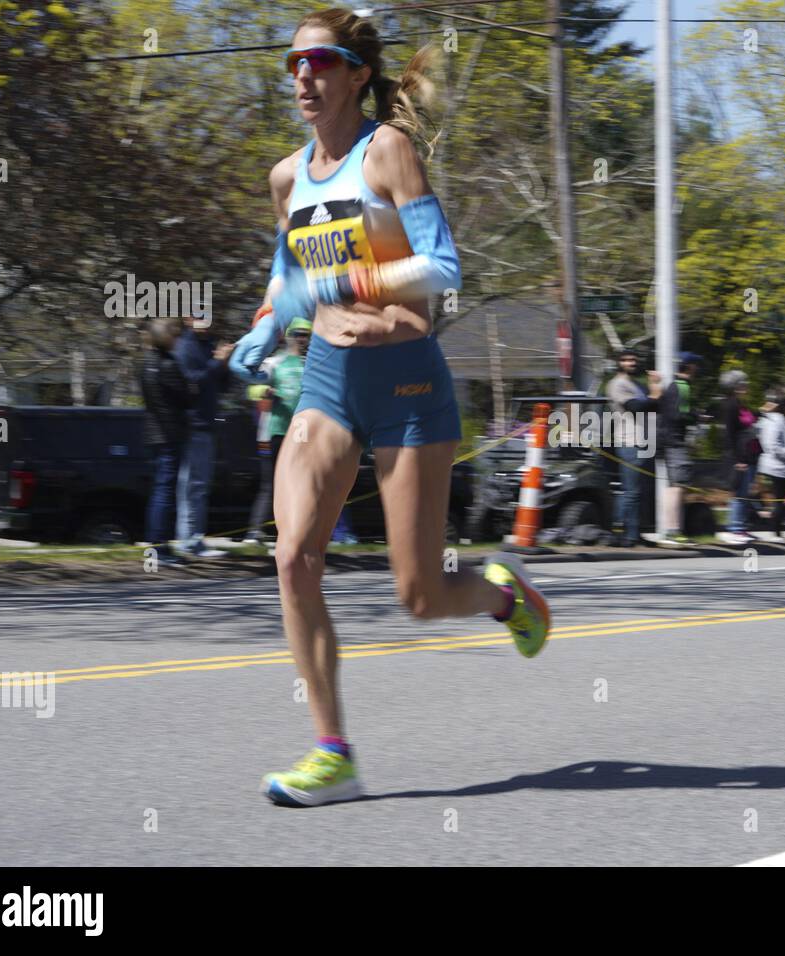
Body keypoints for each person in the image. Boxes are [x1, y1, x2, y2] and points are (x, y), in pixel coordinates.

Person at [228, 8, 550, 807]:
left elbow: (442, 268)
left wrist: (342, 284)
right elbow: (286, 270)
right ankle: (333, 752)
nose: (305, 76)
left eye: (322, 62)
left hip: (407, 382)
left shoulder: (388, 153)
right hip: (329, 379)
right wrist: (266, 324)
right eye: (294, 64)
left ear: (357, 73)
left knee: (419, 595)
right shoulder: (285, 177)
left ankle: (506, 597)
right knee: (292, 558)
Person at [245, 317, 313, 545]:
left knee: (297, 483)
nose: (303, 339)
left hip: (300, 433)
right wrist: (265, 390)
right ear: (288, 336)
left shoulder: (310, 365)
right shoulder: (274, 362)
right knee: (271, 483)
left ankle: (293, 530)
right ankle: (255, 532)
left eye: (306, 335)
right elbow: (251, 390)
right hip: (273, 431)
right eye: (299, 334)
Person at [173, 312, 233, 558]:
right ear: (187, 319)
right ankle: (189, 541)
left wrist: (226, 364)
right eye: (198, 316)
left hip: (208, 424)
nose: (204, 320)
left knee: (201, 485)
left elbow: (223, 386)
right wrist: (217, 362)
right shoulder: (184, 347)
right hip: (192, 425)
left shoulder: (208, 346)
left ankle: (194, 539)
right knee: (192, 485)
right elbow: (193, 382)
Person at [140, 317, 194, 558]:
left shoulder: (145, 364)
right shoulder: (168, 365)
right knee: (166, 491)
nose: (178, 339)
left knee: (160, 489)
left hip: (154, 433)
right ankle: (159, 546)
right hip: (170, 434)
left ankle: (157, 543)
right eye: (175, 335)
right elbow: (186, 397)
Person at [605, 348, 662, 547]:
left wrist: (652, 391)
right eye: (627, 360)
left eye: (634, 359)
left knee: (639, 491)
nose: (632, 363)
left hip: (644, 441)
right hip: (629, 441)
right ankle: (622, 535)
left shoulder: (636, 385)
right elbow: (636, 407)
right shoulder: (617, 384)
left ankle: (634, 533)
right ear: (619, 363)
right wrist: (654, 392)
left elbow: (654, 406)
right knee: (631, 491)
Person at [655, 351, 701, 546]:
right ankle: (673, 531)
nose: (697, 369)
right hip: (675, 442)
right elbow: (679, 416)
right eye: (695, 365)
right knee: (677, 488)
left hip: (666, 441)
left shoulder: (671, 386)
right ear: (689, 367)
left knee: (673, 487)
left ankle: (671, 530)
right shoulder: (683, 386)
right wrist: (697, 416)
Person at [721, 370, 762, 545]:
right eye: (743, 383)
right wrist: (737, 459)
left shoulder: (741, 404)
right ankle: (735, 528)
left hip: (750, 454)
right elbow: (730, 434)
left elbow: (750, 421)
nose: (746, 386)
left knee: (745, 493)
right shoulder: (730, 405)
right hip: (740, 456)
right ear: (734, 386)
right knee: (740, 493)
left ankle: (742, 527)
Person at [756, 390, 785, 539]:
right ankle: (775, 532)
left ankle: (777, 531)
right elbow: (771, 445)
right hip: (776, 468)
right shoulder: (776, 420)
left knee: (784, 502)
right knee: (779, 502)